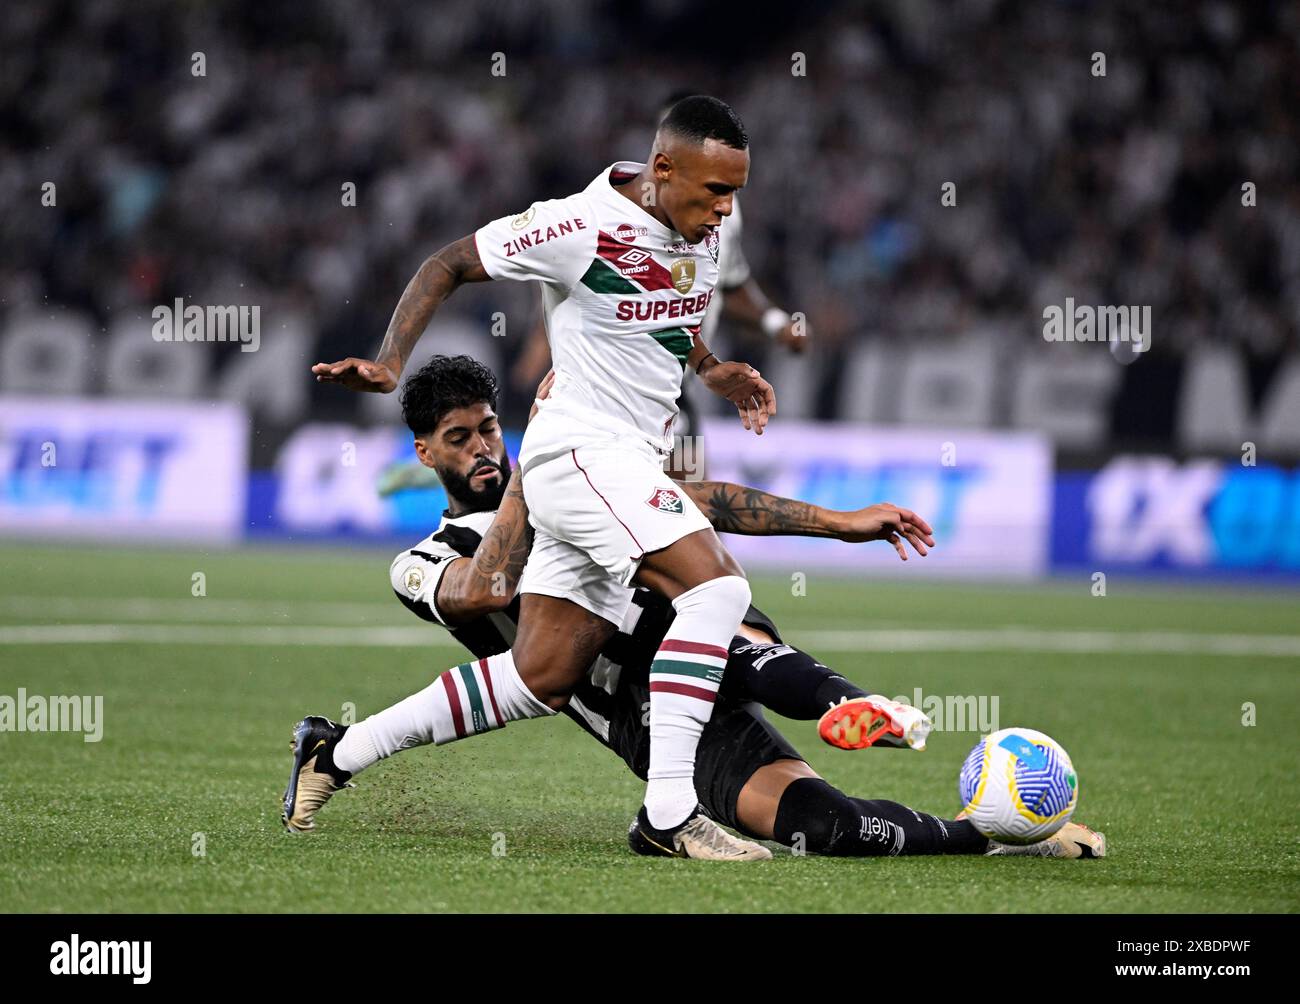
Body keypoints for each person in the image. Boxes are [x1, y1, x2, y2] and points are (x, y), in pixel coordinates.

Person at [284, 355, 1107, 861]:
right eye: (459, 438)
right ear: (424, 452)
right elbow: (488, 588)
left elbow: (698, 500)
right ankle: (985, 831)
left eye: (490, 430)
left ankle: (853, 704)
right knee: (827, 829)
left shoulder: (575, 482)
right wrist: (539, 469)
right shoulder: (424, 561)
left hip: (689, 632)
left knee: (731, 626)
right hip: (640, 718)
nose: (483, 449)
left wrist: (837, 523)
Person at [312, 96, 800, 858]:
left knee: (539, 675)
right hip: (582, 452)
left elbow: (666, 312)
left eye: (736, 192)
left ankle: (335, 752)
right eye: (715, 191)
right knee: (716, 590)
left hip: (623, 458)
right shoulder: (578, 226)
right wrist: (389, 363)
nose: (726, 210)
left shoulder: (701, 228)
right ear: (662, 168)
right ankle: (669, 814)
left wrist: (712, 370)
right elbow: (448, 263)